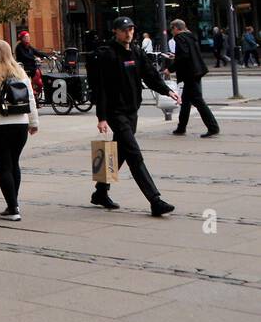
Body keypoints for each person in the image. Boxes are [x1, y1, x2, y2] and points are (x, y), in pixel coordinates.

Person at [88, 16, 179, 216]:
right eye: (124, 29)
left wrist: (166, 91)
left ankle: (100, 192)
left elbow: (150, 75)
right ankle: (155, 200)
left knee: (119, 152)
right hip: (115, 112)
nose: (128, 33)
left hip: (131, 111)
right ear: (115, 31)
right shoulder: (108, 54)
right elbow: (100, 87)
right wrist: (101, 117)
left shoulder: (136, 52)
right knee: (134, 155)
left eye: (131, 29)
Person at [0, 39, 38, 222]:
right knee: (14, 163)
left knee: (3, 167)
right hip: (20, 126)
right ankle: (14, 202)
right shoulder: (21, 73)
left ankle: (12, 208)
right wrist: (33, 122)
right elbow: (31, 100)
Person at [166, 20, 219, 138]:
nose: (171, 32)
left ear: (175, 28)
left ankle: (213, 127)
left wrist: (170, 69)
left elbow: (184, 56)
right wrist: (176, 56)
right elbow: (189, 53)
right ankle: (181, 128)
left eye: (171, 29)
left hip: (190, 73)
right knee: (185, 102)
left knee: (198, 101)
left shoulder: (179, 38)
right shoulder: (190, 36)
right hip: (197, 71)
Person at [14, 30, 49, 97]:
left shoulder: (29, 46)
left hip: (32, 67)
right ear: (22, 38)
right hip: (25, 68)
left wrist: (47, 56)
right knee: (30, 82)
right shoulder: (19, 47)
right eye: (26, 37)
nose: (28, 38)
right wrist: (34, 58)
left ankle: (37, 95)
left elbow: (37, 52)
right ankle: (32, 94)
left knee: (40, 82)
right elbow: (25, 55)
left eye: (28, 37)